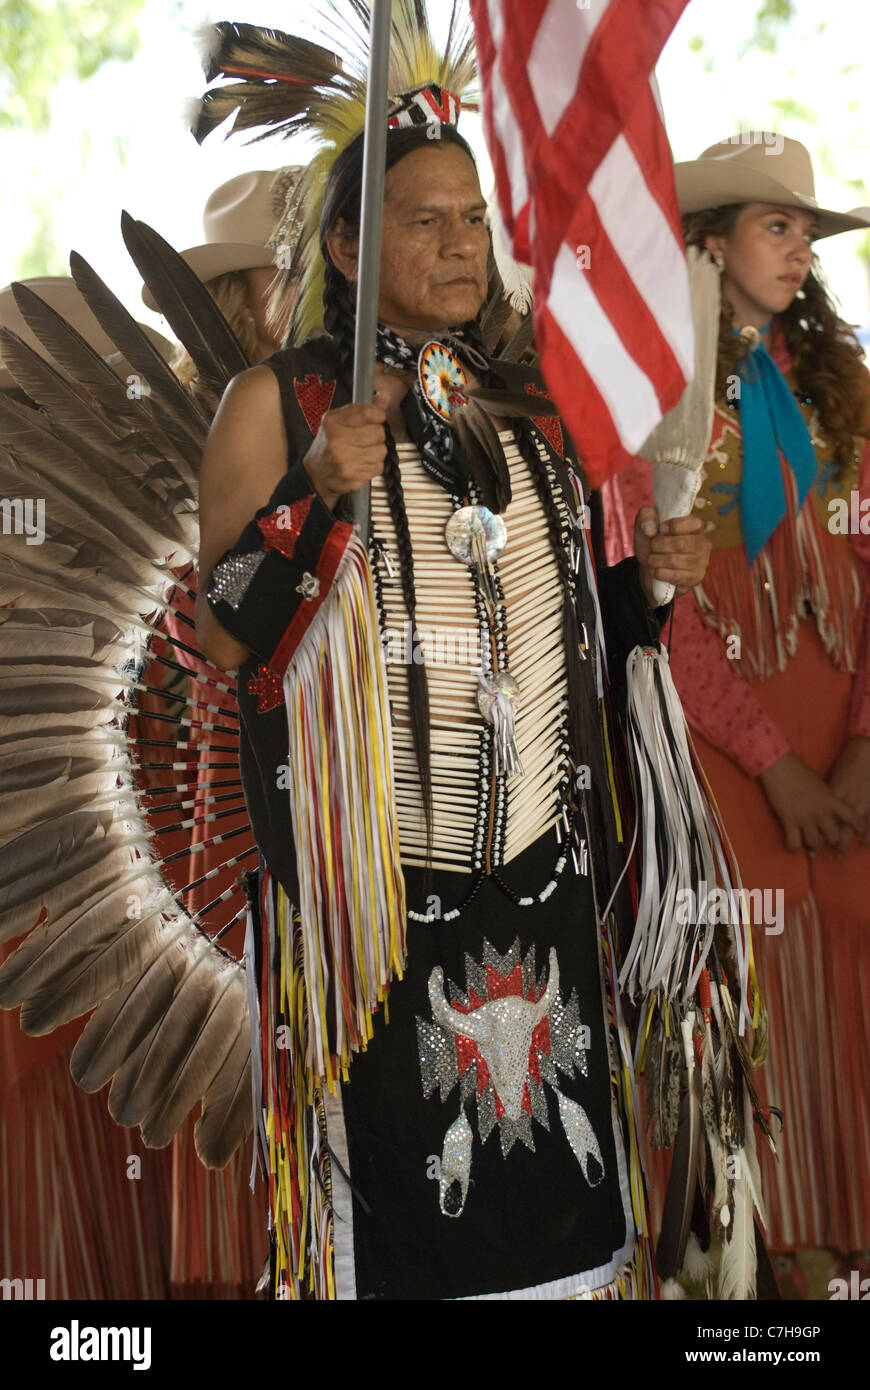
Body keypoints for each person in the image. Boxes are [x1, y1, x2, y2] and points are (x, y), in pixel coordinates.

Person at [196, 115, 713, 1301]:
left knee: (561, 1256)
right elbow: (224, 632)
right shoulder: (279, 406)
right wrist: (314, 485)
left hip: (542, 891)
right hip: (380, 916)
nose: (461, 242)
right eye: (423, 220)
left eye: (473, 217)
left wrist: (656, 586)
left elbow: (573, 651)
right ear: (345, 244)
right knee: (401, 1249)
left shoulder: (528, 414)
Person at [602, 133, 870, 1289]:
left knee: (846, 1010)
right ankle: (743, 1291)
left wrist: (860, 753)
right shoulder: (646, 408)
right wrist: (775, 764)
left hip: (848, 765)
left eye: (807, 230)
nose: (801, 247)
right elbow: (659, 608)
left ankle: (834, 1267)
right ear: (708, 244)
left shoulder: (849, 405)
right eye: (778, 224)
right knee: (741, 1009)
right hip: (722, 768)